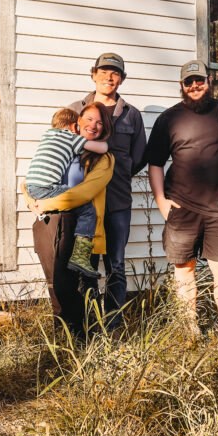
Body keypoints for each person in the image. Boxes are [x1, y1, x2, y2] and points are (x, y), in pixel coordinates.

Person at [145, 60, 218, 350]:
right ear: (181, 86)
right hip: (181, 208)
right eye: (189, 82)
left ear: (210, 81)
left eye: (200, 80)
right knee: (184, 271)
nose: (195, 86)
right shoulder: (169, 119)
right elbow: (156, 163)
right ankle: (189, 331)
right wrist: (161, 200)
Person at [67, 52, 147, 329]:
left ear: (121, 79)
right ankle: (89, 323)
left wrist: (115, 174)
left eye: (115, 73)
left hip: (117, 201)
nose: (109, 77)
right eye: (103, 72)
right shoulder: (76, 109)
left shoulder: (131, 115)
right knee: (86, 264)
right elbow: (62, 148)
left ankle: (113, 325)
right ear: (93, 75)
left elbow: (139, 157)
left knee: (116, 264)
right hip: (84, 204)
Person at [26, 103, 115, 339]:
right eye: (89, 119)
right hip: (50, 224)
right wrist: (29, 199)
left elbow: (81, 195)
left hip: (83, 230)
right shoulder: (65, 146)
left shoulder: (104, 158)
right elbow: (30, 179)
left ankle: (89, 340)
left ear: (105, 127)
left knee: (82, 286)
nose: (93, 126)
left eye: (100, 122)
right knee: (56, 284)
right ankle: (63, 338)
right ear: (78, 122)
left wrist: (42, 204)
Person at [22, 107, 109, 278]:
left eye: (98, 122)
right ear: (73, 126)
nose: (91, 125)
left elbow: (26, 183)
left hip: (36, 188)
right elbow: (103, 148)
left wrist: (36, 202)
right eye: (86, 121)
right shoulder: (71, 138)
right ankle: (80, 257)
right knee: (87, 208)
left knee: (63, 278)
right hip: (51, 206)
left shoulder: (47, 136)